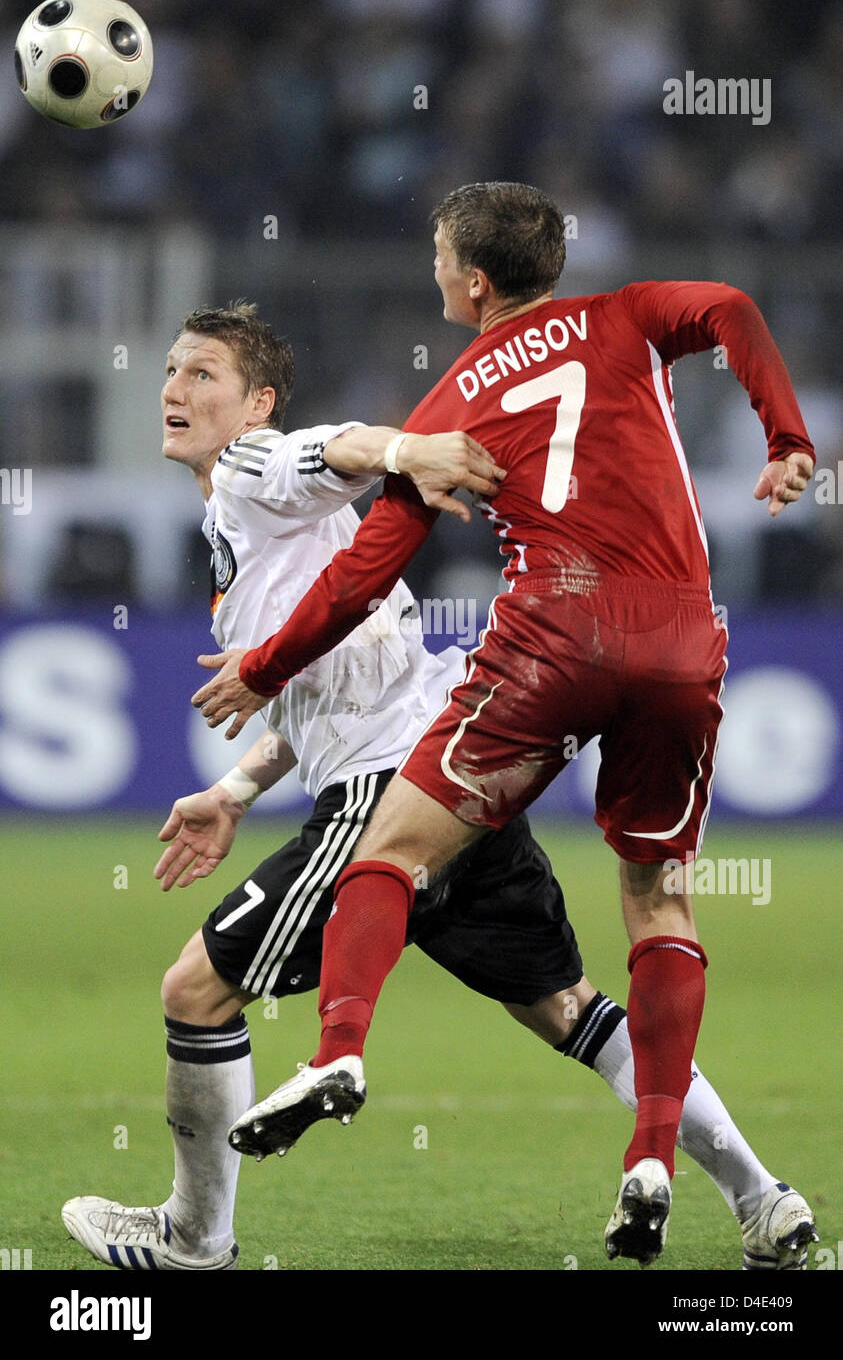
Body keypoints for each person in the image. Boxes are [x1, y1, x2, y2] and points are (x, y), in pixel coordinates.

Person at [60, 303, 814, 1273]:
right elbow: (333, 678)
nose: (174, 388)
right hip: (457, 782)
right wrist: (239, 789)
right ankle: (764, 1199)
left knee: (196, 990)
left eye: (202, 374)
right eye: (169, 369)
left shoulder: (257, 469)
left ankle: (193, 1240)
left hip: (389, 796)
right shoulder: (252, 529)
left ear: (257, 406)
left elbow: (340, 447)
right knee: (570, 1010)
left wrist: (408, 446)